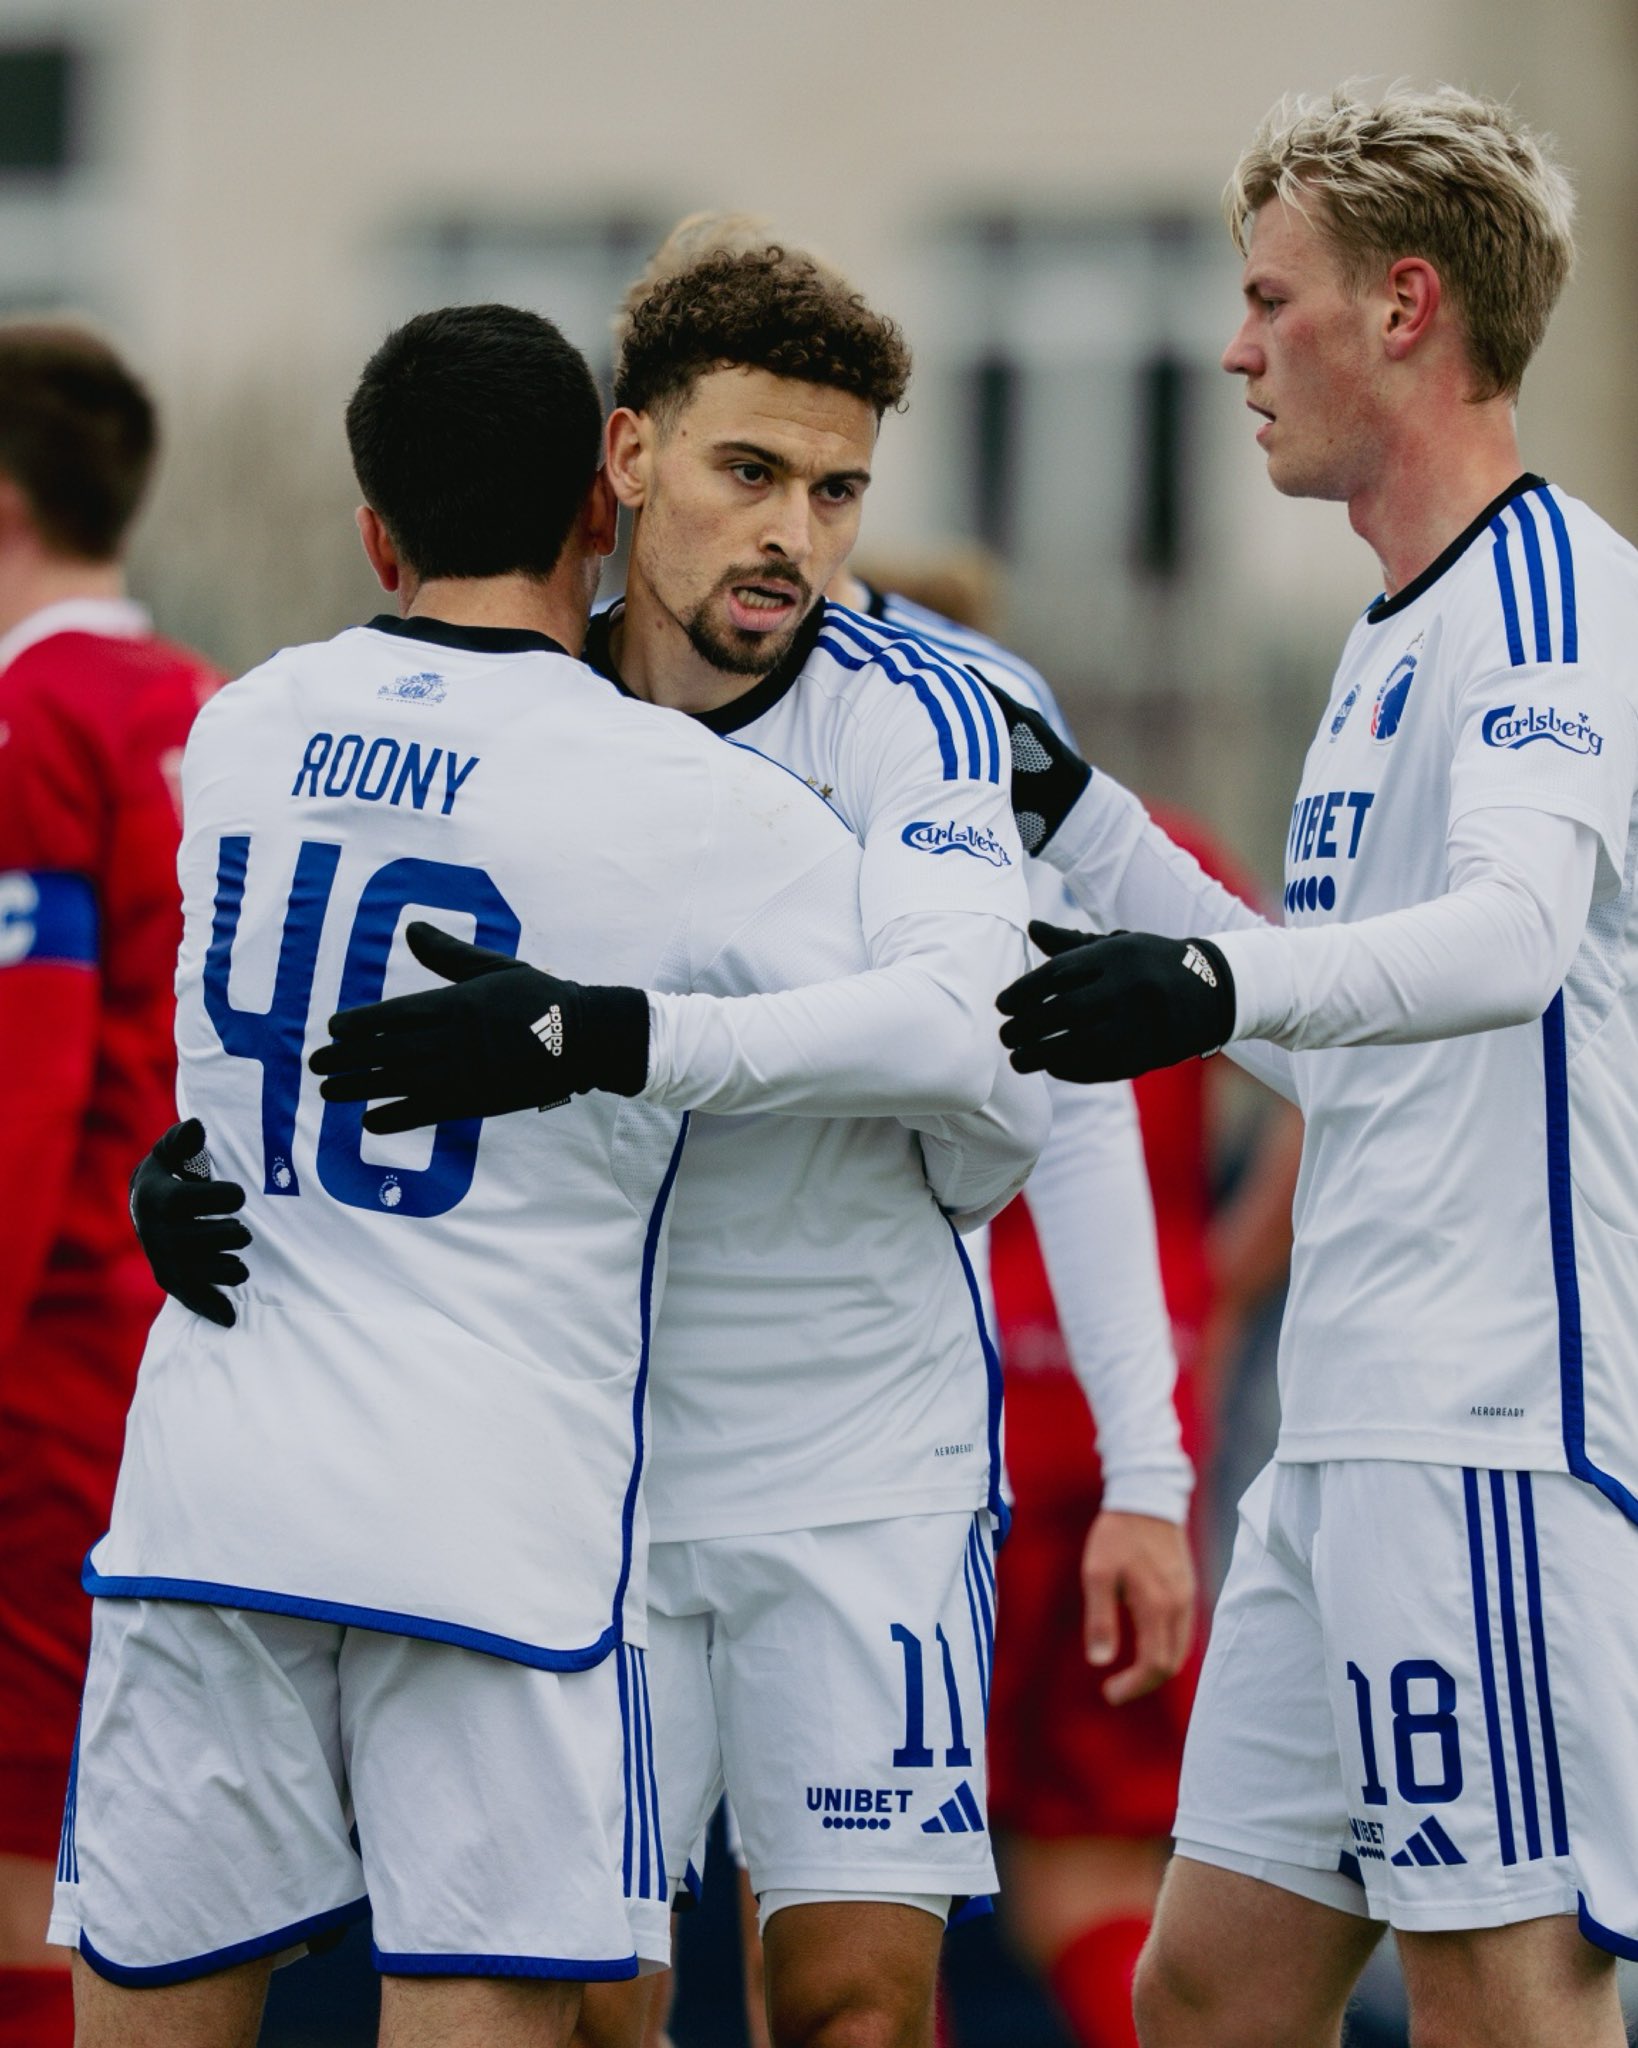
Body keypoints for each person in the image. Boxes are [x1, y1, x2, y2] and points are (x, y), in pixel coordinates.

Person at [66, 302, 1040, 2048]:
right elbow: (969, 1059)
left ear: (375, 530)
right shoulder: (695, 798)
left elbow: (242, 1051)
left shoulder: (238, 727)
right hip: (489, 1518)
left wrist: (184, 1167)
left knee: (145, 2018)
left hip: (206, 1485)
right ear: (612, 495)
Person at [282, 230, 1175, 2048]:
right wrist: (207, 1166)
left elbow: (961, 1035)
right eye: (747, 473)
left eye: (836, 491)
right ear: (626, 460)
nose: (795, 534)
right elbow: (338, 980)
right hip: (583, 1460)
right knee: (594, 1994)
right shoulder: (516, 697)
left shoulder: (919, 715)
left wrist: (596, 1037)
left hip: (862, 1459)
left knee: (847, 1998)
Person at [993, 85, 1638, 2048]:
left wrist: (1195, 978)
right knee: (1201, 1996)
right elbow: (1320, 1002)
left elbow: (1512, 941)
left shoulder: (1549, 602)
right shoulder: (1388, 636)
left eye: (1273, 299)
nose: (1234, 345)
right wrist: (1058, 807)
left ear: (1410, 307)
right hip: (1339, 1448)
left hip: (1485, 1441)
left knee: (1506, 2003)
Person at [0, 321, 218, 2048]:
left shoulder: (28, 718)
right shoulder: (206, 702)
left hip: (46, 1358)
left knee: (21, 1875)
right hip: (181, 1356)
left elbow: (21, 1095)